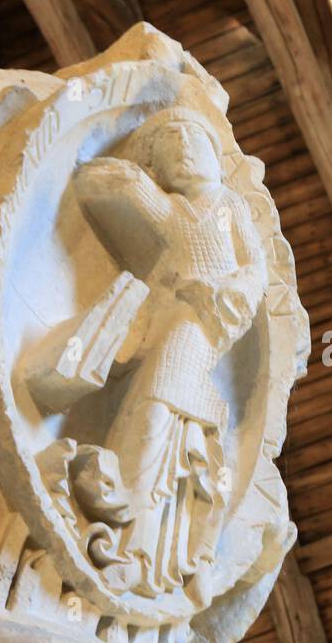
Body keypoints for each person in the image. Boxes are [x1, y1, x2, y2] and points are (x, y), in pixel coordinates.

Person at [73, 105, 267, 595]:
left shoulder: (230, 207)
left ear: (217, 158)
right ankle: (154, 539)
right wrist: (126, 179)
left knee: (157, 407)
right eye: (169, 148)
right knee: (155, 408)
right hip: (175, 319)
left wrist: (225, 293)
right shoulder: (173, 208)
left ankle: (135, 537)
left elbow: (255, 271)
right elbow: (99, 184)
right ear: (158, 171)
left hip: (205, 323)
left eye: (192, 141)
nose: (182, 151)